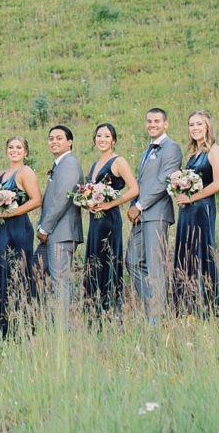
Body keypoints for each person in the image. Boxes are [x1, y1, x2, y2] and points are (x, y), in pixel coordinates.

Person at [126, 108, 183, 322]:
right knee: (132, 261)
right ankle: (154, 305)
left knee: (155, 265)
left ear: (166, 124)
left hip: (157, 213)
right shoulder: (146, 151)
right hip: (141, 214)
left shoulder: (172, 148)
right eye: (149, 121)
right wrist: (135, 207)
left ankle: (157, 317)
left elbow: (163, 181)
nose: (152, 125)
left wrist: (139, 205)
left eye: (157, 121)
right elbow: (143, 183)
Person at [172, 111, 219, 317]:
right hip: (187, 211)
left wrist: (192, 198)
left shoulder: (213, 150)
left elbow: (218, 183)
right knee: (186, 253)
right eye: (191, 124)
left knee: (201, 253)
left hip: (202, 209)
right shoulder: (191, 154)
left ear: (207, 127)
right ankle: (187, 306)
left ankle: (208, 307)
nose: (194, 128)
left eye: (199, 124)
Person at [0, 136, 43, 337]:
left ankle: (20, 325)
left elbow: (37, 200)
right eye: (11, 147)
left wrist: (12, 212)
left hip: (19, 229)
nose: (14, 150)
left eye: (19, 147)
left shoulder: (25, 172)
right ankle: (0, 324)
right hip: (1, 230)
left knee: (16, 272)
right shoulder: (1, 174)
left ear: (25, 152)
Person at [83, 122, 138, 319]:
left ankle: (111, 308)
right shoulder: (94, 164)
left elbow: (134, 189)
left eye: (106, 136)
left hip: (109, 220)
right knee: (94, 260)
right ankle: (93, 308)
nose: (102, 139)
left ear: (113, 140)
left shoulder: (118, 161)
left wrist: (110, 204)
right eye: (99, 136)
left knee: (108, 260)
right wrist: (87, 202)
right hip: (94, 220)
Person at [37, 124, 84, 322]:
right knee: (39, 271)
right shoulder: (59, 165)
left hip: (61, 232)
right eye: (51, 138)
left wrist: (44, 227)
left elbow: (63, 198)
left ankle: (63, 326)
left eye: (59, 138)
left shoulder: (70, 163)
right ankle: (49, 318)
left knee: (60, 280)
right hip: (53, 233)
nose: (54, 141)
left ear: (69, 142)